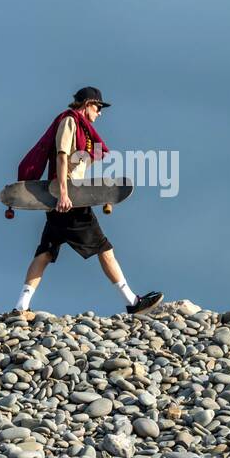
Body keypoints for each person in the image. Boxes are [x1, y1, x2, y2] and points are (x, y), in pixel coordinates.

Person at [11, 87, 162, 318]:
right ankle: (133, 302)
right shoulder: (70, 122)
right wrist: (64, 194)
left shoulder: (84, 131)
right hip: (70, 201)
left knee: (46, 253)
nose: (99, 113)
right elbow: (62, 156)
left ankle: (20, 307)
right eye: (98, 107)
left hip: (62, 201)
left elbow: (77, 161)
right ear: (87, 104)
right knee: (105, 248)